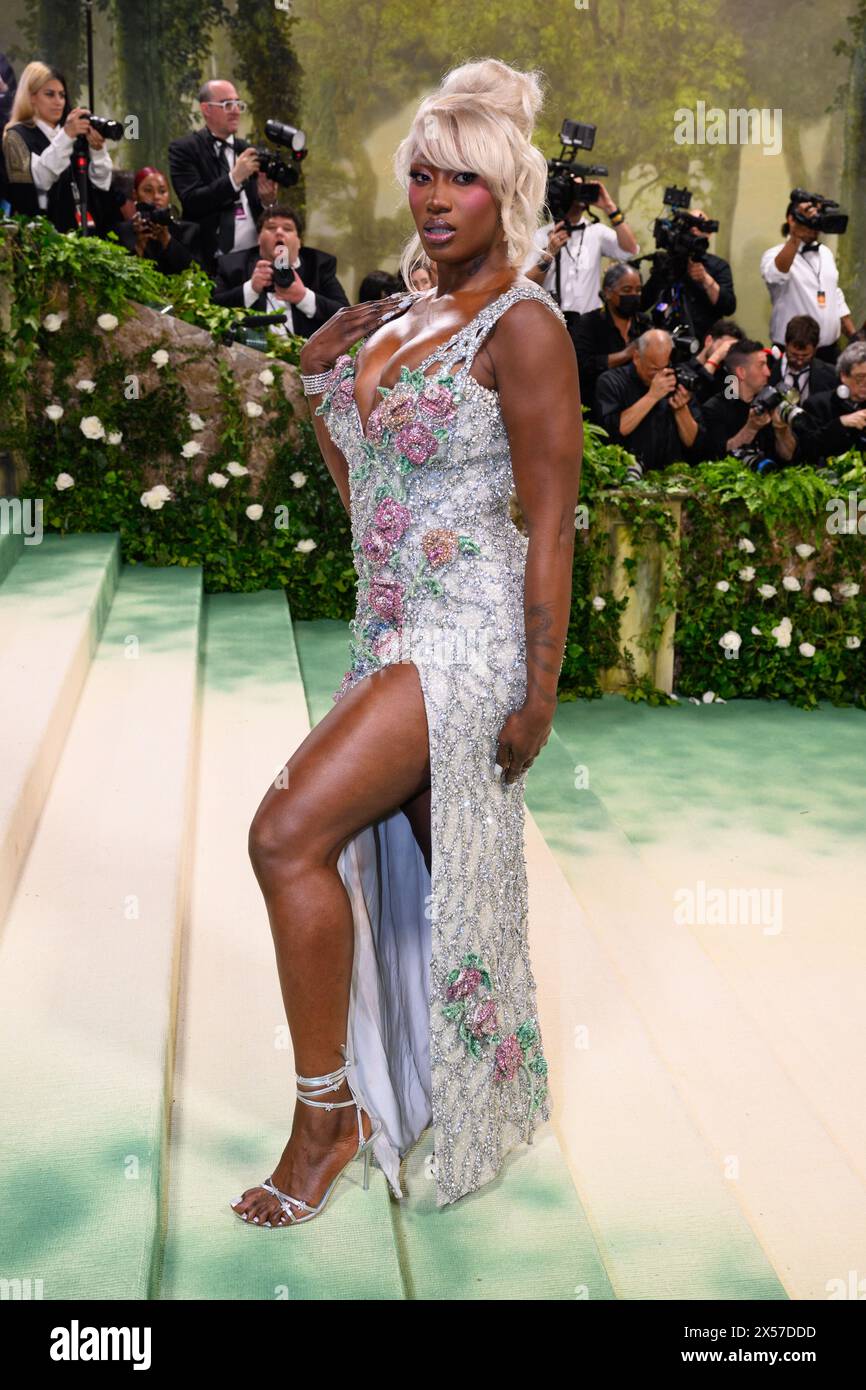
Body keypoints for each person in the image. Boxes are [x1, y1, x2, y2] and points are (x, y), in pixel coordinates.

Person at [230, 57, 581, 1228]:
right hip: (387, 631)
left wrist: (535, 690)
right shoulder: (404, 314)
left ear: (506, 194)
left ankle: (325, 1114)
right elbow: (367, 493)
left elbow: (547, 527)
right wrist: (323, 370)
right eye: (422, 174)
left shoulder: (523, 329)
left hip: (464, 641)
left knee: (285, 834)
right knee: (443, 889)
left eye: (462, 180)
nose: (435, 198)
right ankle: (469, 1083)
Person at [168, 78, 279, 277]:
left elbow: (261, 209)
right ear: (206, 109)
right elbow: (192, 201)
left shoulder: (247, 150)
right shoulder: (184, 149)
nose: (236, 110)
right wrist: (234, 179)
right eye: (228, 104)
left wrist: (267, 200)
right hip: (210, 261)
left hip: (255, 259)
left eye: (238, 104)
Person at [521, 175, 639, 353]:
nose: (581, 193)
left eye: (582, 187)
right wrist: (549, 254)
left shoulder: (596, 232)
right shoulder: (539, 236)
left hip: (590, 328)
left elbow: (630, 250)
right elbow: (526, 284)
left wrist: (609, 208)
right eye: (574, 188)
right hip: (548, 325)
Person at [1, 61, 113, 233]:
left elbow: (101, 185)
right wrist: (66, 136)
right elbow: (36, 187)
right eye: (50, 94)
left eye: (62, 95)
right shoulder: (17, 135)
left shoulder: (71, 134)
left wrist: (98, 151)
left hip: (83, 236)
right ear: (31, 97)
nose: (58, 102)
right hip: (42, 242)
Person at [211, 204, 349, 335]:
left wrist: (303, 297)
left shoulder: (319, 266)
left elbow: (347, 317)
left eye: (287, 229)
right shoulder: (233, 265)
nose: (279, 232)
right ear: (259, 238)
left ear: (299, 241)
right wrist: (251, 289)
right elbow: (211, 310)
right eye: (271, 228)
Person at [760, 193, 855, 363]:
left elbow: (835, 296)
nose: (814, 225)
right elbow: (776, 274)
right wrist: (796, 237)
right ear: (791, 219)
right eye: (809, 219)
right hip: (793, 353)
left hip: (829, 353)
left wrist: (854, 337)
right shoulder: (774, 255)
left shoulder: (825, 253)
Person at [595, 327, 699, 473]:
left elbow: (692, 441)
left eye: (666, 367)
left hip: (670, 476)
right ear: (637, 358)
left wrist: (681, 409)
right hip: (625, 475)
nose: (661, 375)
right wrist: (652, 396)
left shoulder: (677, 378)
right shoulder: (611, 381)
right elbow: (616, 430)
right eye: (654, 370)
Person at [640, 205, 736, 343]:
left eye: (699, 226)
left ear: (708, 233)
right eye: (689, 226)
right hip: (666, 342)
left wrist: (706, 280)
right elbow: (643, 303)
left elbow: (728, 307)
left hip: (704, 341)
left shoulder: (718, 266)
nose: (694, 230)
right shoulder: (667, 263)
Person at [694, 338, 798, 465]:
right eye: (761, 365)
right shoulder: (713, 409)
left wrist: (781, 429)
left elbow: (788, 455)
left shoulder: (770, 402)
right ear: (741, 372)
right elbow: (718, 458)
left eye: (767, 365)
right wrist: (751, 428)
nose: (768, 372)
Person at [572, 263, 644, 422]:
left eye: (638, 290)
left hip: (637, 408)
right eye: (627, 290)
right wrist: (625, 355)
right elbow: (583, 365)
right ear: (608, 292)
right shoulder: (589, 323)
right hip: (598, 409)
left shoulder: (644, 323)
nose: (634, 295)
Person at [110, 166, 201, 274]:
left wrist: (167, 240)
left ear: (169, 195)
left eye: (162, 191)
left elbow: (196, 274)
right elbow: (118, 275)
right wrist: (139, 246)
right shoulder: (123, 231)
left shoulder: (188, 230)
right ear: (135, 194)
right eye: (148, 191)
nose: (156, 196)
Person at [793, 341, 866, 465]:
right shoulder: (817, 404)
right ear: (843, 376)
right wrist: (840, 424)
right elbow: (808, 448)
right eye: (860, 377)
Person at [768, 313, 836, 403]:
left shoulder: (830, 375)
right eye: (794, 355)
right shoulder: (768, 371)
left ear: (816, 349)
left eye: (805, 356)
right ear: (786, 344)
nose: (799, 362)